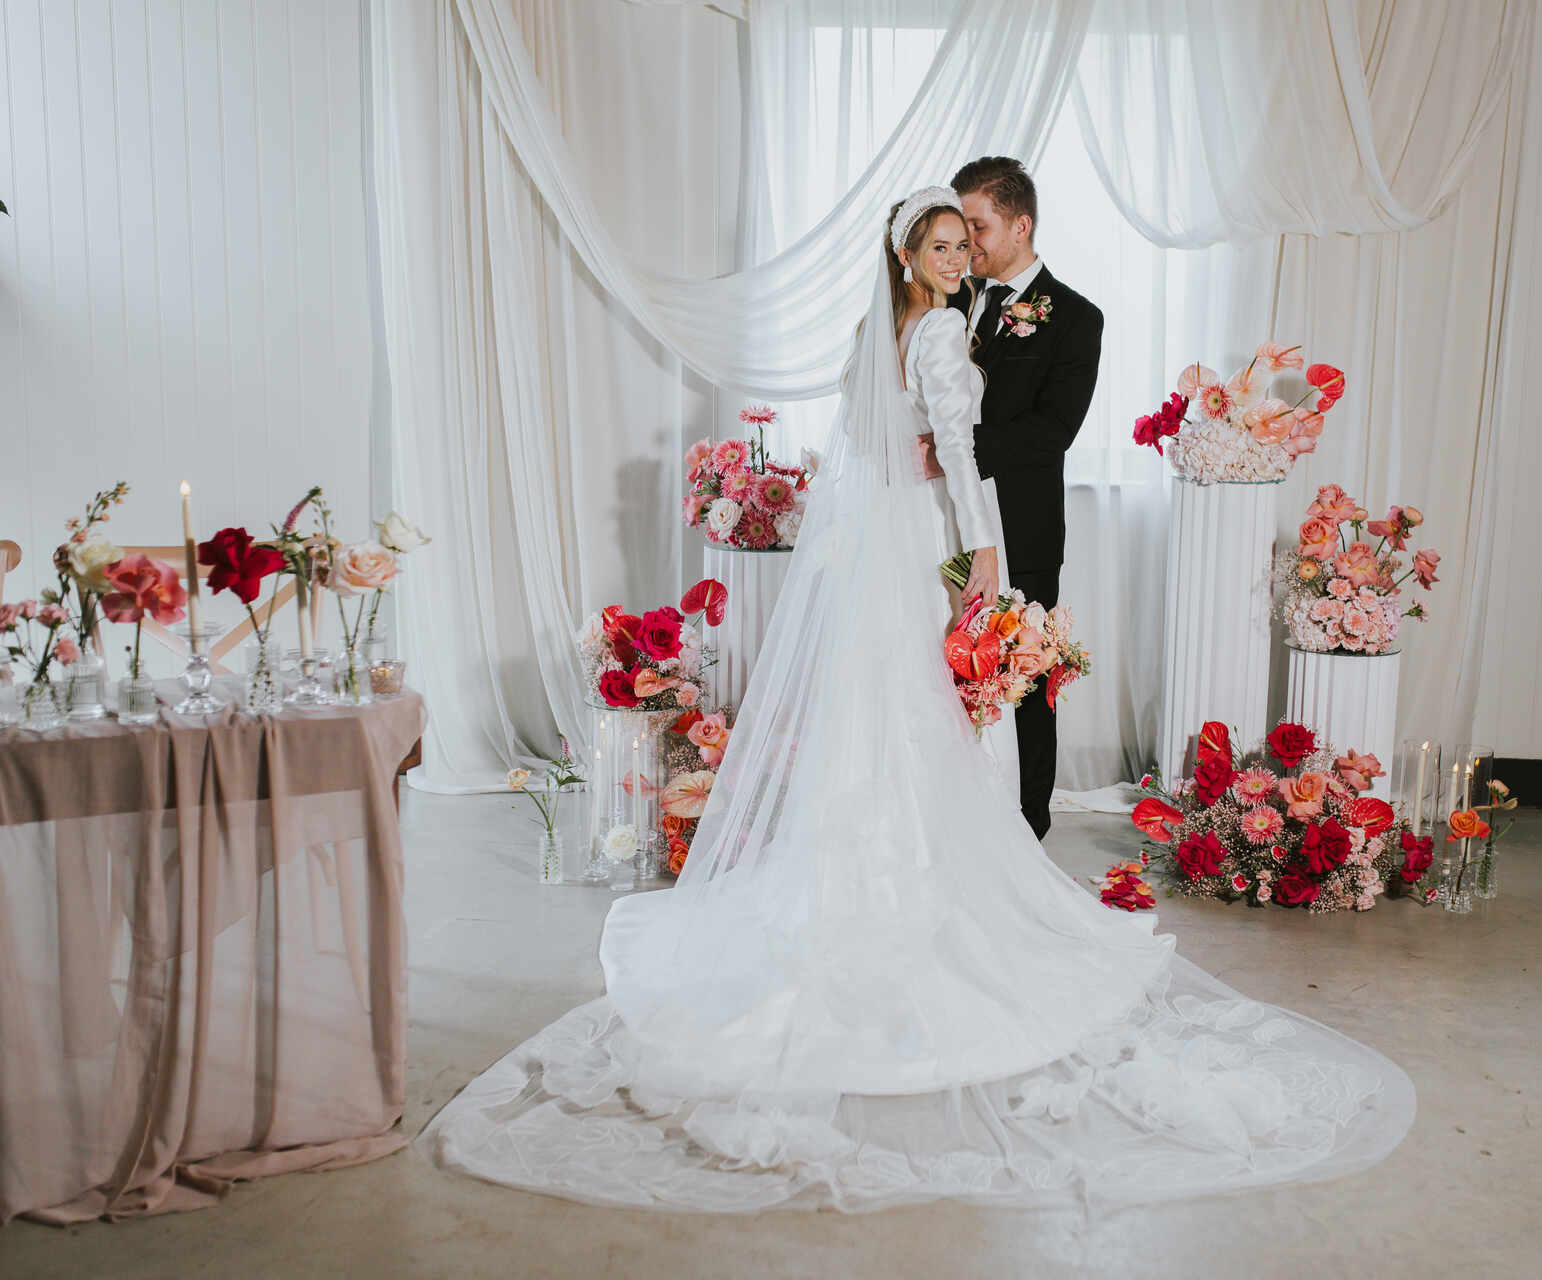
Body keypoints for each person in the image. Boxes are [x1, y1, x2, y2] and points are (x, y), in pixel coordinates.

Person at [425, 187, 1413, 1214]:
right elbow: (962, 444)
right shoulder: (939, 328)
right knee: (918, 716)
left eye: (961, 243)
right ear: (910, 258)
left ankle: (860, 875)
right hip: (919, 539)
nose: (955, 258)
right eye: (940, 245)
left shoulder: (881, 327)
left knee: (880, 716)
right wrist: (981, 551)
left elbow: (873, 444)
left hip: (871, 541)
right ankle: (916, 894)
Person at [923, 156, 1098, 841]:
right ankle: (956, 820)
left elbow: (1054, 430)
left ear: (1020, 225)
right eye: (960, 229)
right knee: (948, 668)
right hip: (948, 526)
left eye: (979, 226)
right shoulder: (949, 302)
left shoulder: (1076, 318)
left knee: (1024, 682)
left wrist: (953, 449)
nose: (968, 244)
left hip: (1021, 529)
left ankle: (1028, 828)